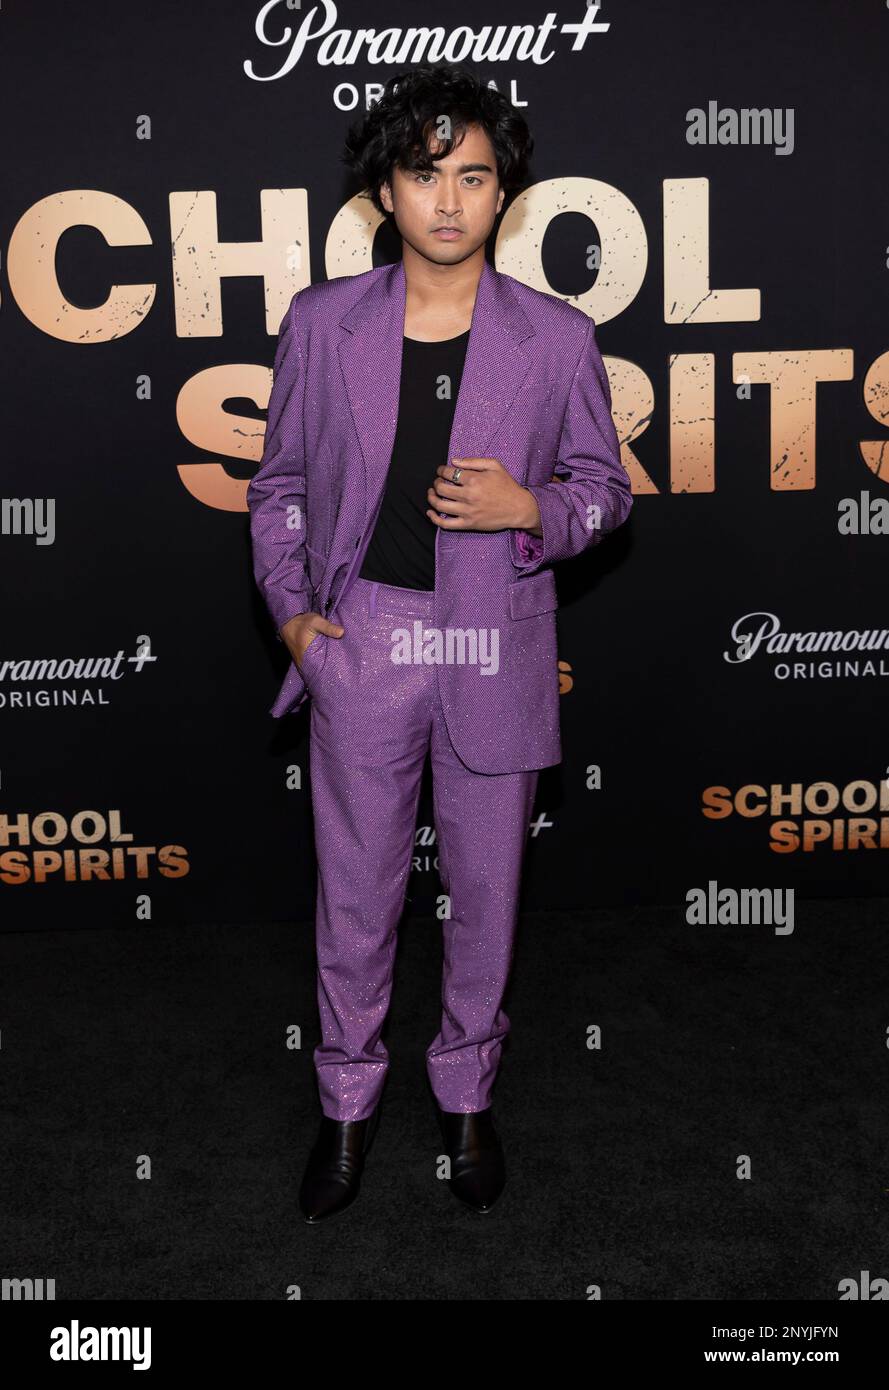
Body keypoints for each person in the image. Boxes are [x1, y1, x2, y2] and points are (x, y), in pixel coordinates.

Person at [247, 63, 633, 1223]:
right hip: (362, 640)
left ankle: (468, 1093)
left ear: (503, 187)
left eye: (474, 174)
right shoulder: (322, 324)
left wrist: (535, 511)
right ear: (385, 188)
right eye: (425, 174)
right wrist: (296, 617)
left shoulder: (557, 337)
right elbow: (277, 489)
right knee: (355, 900)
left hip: (494, 648)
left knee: (487, 894)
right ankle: (347, 1105)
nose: (451, 201)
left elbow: (606, 492)